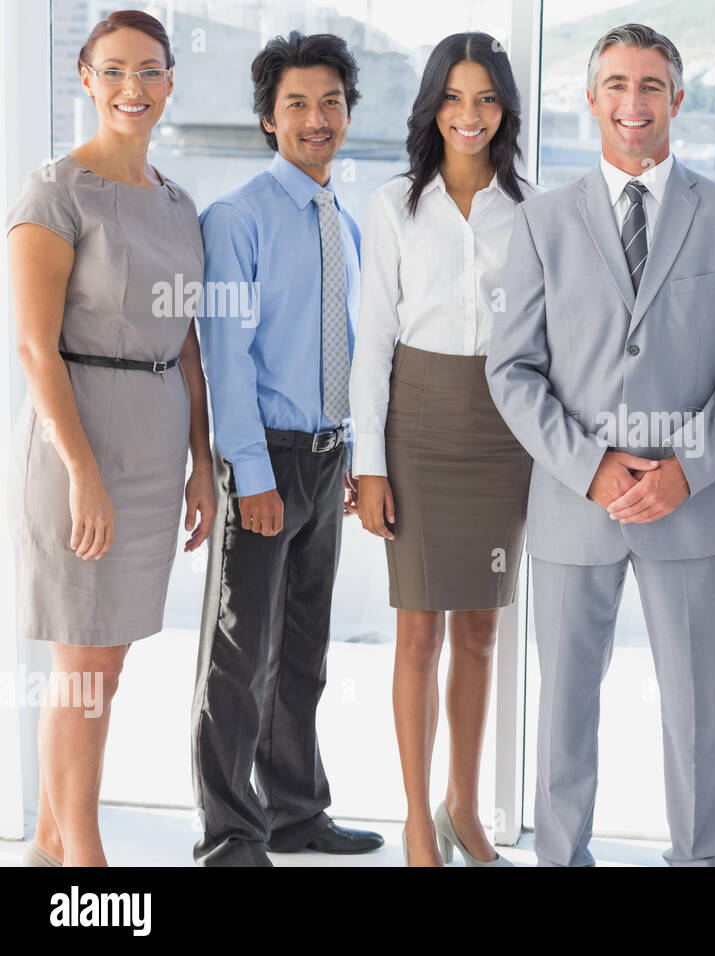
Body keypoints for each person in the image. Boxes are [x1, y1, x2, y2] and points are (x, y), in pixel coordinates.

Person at [486, 22, 715, 867]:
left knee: (695, 709)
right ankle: (561, 857)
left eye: (650, 85)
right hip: (574, 505)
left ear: (677, 100)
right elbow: (512, 371)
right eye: (615, 84)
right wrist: (589, 465)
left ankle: (699, 858)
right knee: (565, 707)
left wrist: (687, 470)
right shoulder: (543, 220)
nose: (633, 101)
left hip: (691, 506)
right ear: (590, 101)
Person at [6, 10, 215, 867]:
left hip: (159, 449)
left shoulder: (176, 200)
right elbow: (32, 344)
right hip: (80, 449)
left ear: (170, 82)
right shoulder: (54, 191)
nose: (135, 87)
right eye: (116, 71)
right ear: (86, 79)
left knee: (110, 663)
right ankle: (83, 863)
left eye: (151, 71)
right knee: (82, 669)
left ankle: (51, 844)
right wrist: (82, 470)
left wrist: (203, 466)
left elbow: (191, 342)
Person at [191, 31, 382, 867]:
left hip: (326, 456)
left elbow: (355, 346)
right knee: (241, 659)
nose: (317, 118)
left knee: (304, 651)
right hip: (263, 460)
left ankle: (298, 815)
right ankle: (231, 833)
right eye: (298, 104)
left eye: (332, 102)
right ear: (268, 119)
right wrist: (251, 475)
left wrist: (349, 456)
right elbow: (225, 358)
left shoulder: (346, 218)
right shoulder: (235, 219)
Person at [350, 32, 534, 867]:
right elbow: (372, 344)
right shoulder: (394, 204)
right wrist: (369, 466)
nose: (471, 115)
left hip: (504, 430)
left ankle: (465, 806)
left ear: (506, 109)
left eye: (487, 98)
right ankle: (418, 822)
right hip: (416, 426)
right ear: (433, 106)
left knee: (484, 634)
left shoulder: (534, 209)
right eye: (455, 98)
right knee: (418, 631)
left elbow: (548, 339)